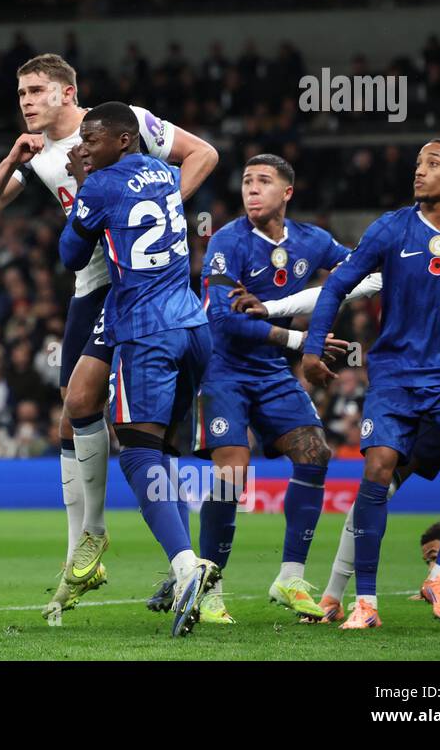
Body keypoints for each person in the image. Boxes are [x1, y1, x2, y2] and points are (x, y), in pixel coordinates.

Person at [0, 53, 217, 617]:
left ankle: (105, 543)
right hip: (90, 290)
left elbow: (204, 152)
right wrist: (10, 160)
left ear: (66, 91)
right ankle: (96, 546)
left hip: (135, 290)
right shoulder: (40, 155)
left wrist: (164, 207)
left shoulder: (118, 127)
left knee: (113, 418)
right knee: (75, 411)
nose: (26, 100)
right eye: (20, 91)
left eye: (36, 90)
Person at [300, 139, 440, 629]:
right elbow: (337, 283)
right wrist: (313, 347)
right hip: (396, 375)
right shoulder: (391, 228)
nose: (419, 172)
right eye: (418, 163)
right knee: (377, 470)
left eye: (433, 164)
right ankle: (366, 602)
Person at [58, 102, 219, 637]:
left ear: (124, 140)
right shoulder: (165, 173)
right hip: (193, 325)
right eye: (80, 139)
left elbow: (71, 257)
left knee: (136, 451)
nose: (82, 147)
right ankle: (185, 564)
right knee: (164, 452)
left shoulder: (100, 186)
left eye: (92, 139)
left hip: (145, 329)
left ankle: (184, 565)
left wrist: (83, 188)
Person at [195, 154, 353, 623]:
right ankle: (209, 587)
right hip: (223, 369)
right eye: (246, 181)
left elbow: (354, 272)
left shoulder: (312, 240)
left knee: (315, 453)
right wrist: (302, 339)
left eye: (264, 181)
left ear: (287, 192)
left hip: (270, 372)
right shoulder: (228, 241)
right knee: (233, 472)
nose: (252, 189)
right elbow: (223, 317)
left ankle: (289, 577)